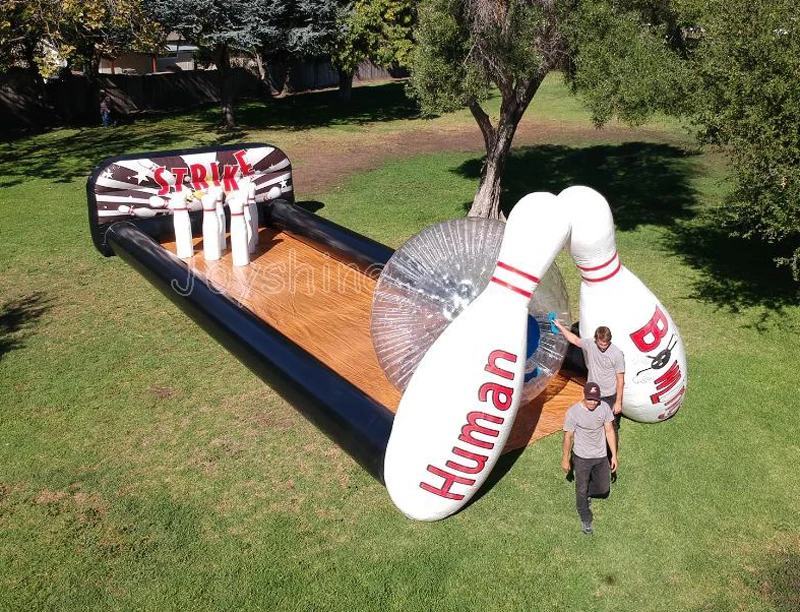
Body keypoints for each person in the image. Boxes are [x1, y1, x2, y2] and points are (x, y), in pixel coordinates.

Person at [561, 381, 618, 535]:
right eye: (590, 399)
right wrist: (565, 459)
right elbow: (568, 437)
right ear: (584, 397)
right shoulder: (573, 412)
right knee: (581, 489)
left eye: (595, 399)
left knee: (604, 488)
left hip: (600, 455)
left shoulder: (604, 408)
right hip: (582, 457)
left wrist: (614, 455)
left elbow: (609, 431)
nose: (593, 402)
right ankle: (586, 517)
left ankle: (588, 492)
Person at [554, 321, 625, 442]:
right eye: (601, 344)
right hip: (593, 392)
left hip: (609, 395)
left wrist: (618, 402)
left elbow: (620, 379)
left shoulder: (617, 354)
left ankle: (610, 456)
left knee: (611, 426)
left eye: (606, 344)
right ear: (596, 339)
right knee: (592, 420)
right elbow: (575, 340)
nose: (603, 347)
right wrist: (560, 327)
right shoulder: (590, 344)